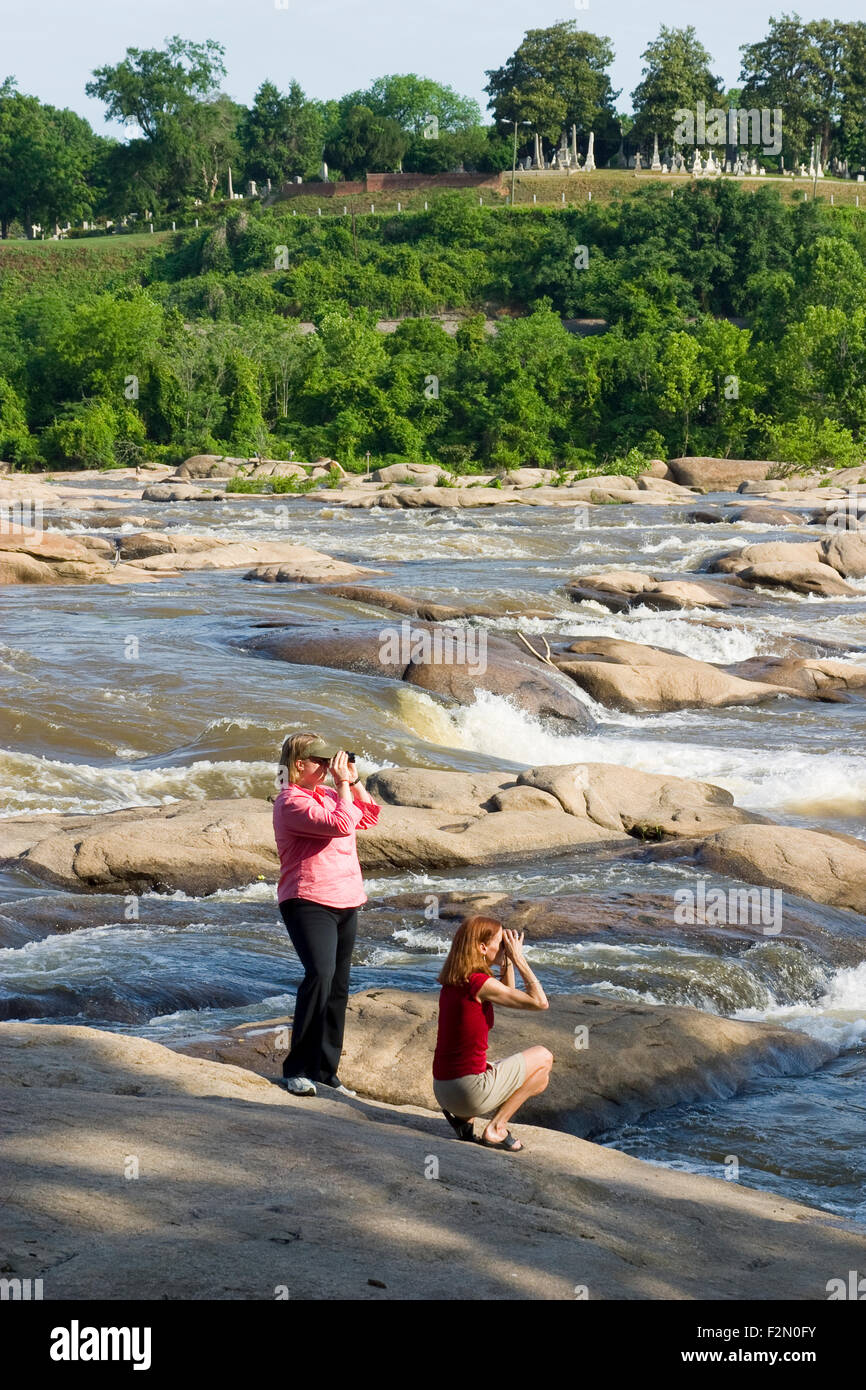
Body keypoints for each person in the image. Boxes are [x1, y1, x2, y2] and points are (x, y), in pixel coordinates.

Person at [273, 731, 380, 1098]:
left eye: (327, 760)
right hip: (308, 899)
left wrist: (353, 779)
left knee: (338, 988)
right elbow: (340, 824)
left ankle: (325, 1070)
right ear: (298, 765)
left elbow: (366, 819)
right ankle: (296, 1069)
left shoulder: (331, 794)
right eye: (318, 761)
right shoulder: (290, 801)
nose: (324, 766)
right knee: (319, 976)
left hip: (346, 899)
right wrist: (343, 785)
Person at [432, 915, 552, 1152]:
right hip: (466, 1092)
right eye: (501, 942)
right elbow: (540, 1002)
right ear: (482, 947)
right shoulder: (480, 983)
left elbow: (508, 993)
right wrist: (519, 959)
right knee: (544, 1058)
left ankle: (465, 1121)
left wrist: (505, 961)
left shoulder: (456, 981)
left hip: (444, 1090)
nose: (505, 946)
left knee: (539, 1077)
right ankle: (496, 1129)